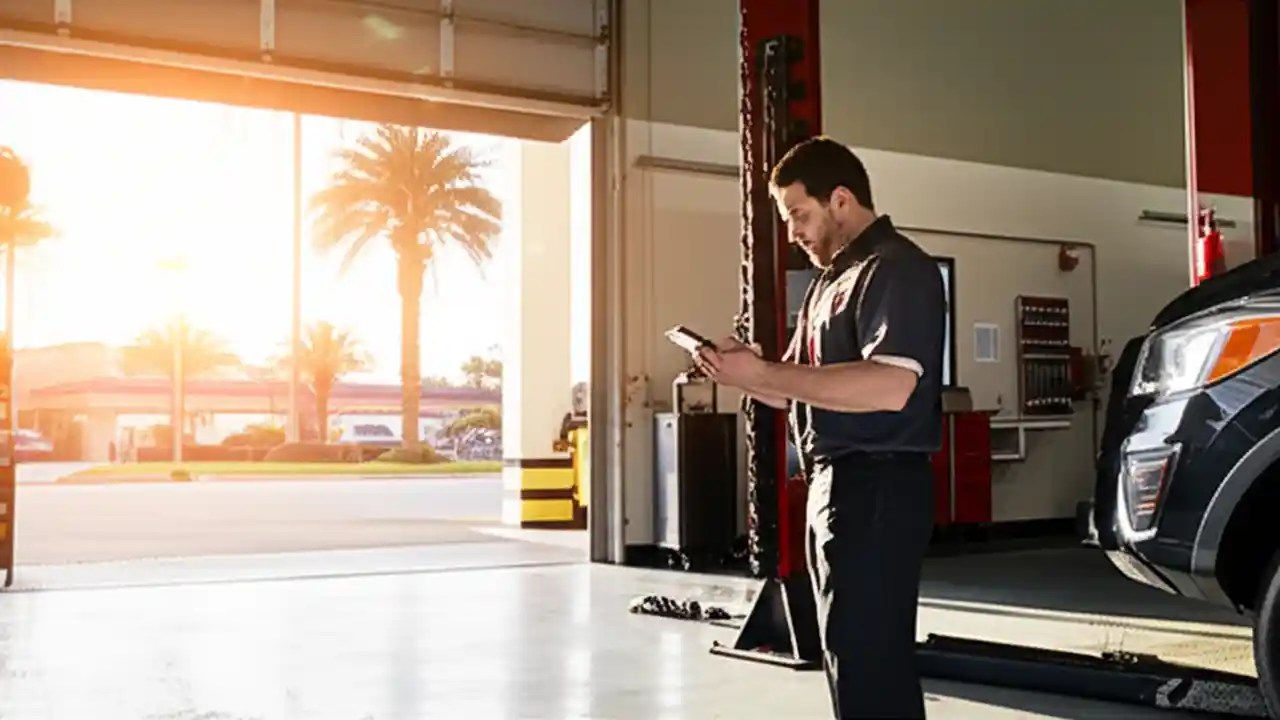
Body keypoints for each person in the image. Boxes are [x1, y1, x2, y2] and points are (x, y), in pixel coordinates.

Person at [695, 136, 944, 719]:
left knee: (871, 659)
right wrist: (743, 374)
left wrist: (767, 371)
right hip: (836, 485)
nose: (793, 233)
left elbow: (889, 386)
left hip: (878, 484)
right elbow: (793, 388)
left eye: (798, 215)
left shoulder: (897, 269)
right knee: (849, 656)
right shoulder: (828, 285)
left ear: (840, 199)